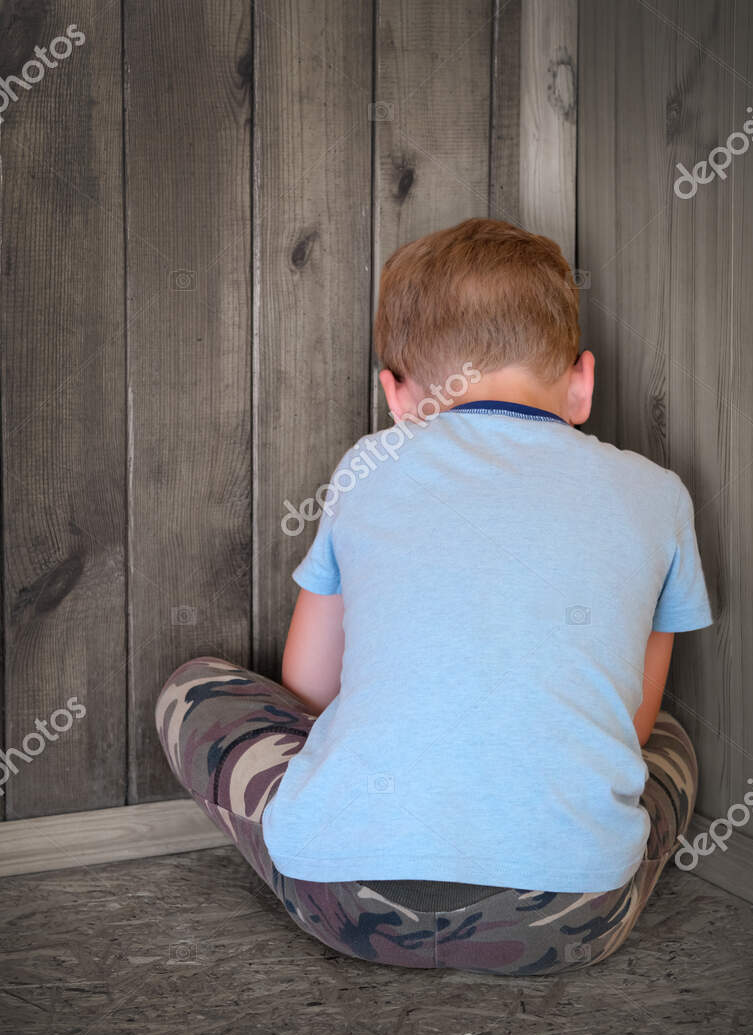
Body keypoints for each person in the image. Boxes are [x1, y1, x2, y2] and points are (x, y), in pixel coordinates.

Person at [155, 218, 712, 974]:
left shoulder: (365, 469)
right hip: (571, 919)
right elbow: (634, 721)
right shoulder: (659, 495)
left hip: (347, 900)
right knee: (673, 737)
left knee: (192, 688)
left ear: (395, 394)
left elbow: (308, 689)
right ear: (581, 382)